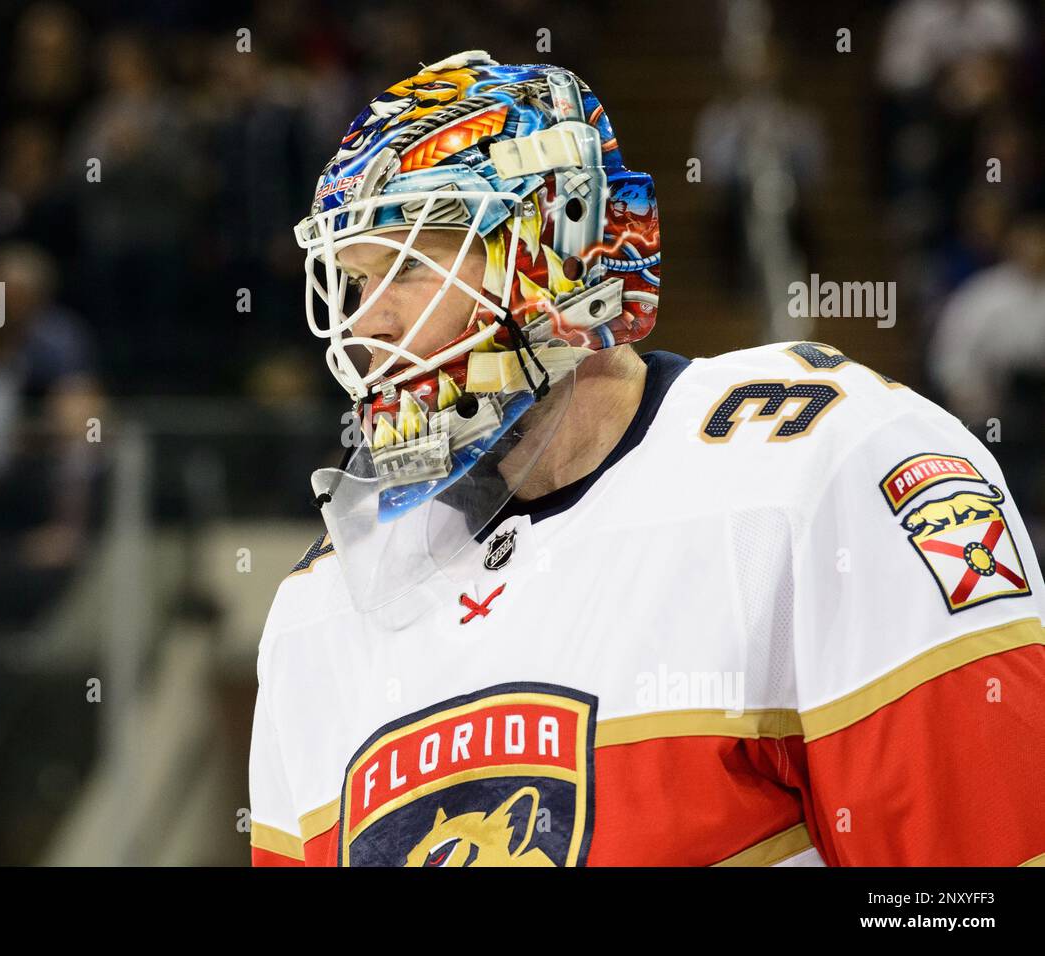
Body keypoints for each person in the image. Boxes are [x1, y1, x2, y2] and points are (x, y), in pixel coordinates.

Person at [247, 51, 1045, 867]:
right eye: (352, 279)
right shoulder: (322, 606)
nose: (366, 323)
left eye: (409, 265)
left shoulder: (822, 466)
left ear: (553, 249)